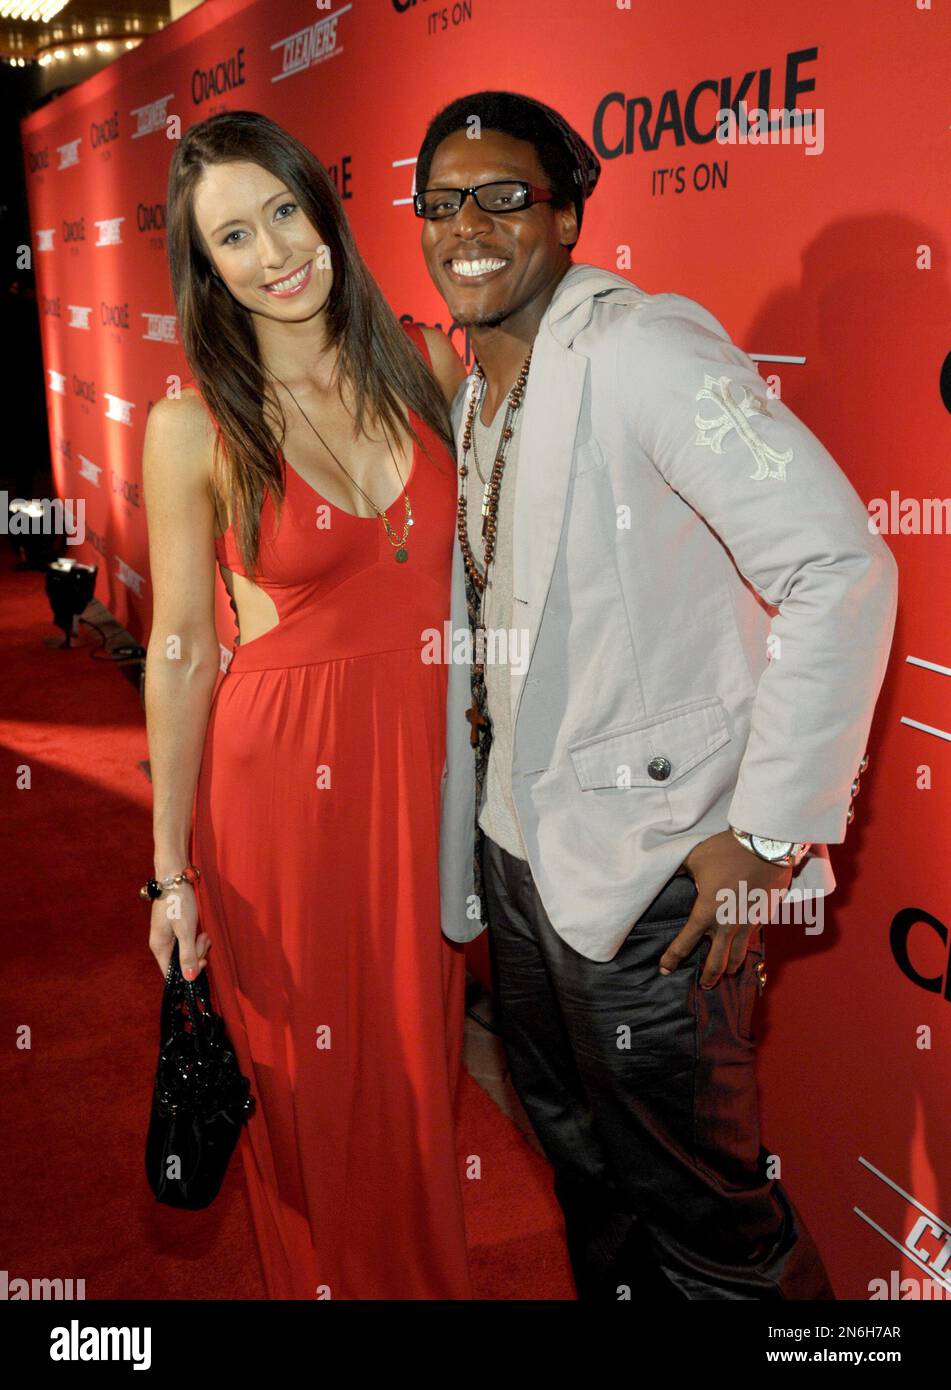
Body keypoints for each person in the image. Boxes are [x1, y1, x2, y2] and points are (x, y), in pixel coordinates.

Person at [415, 90, 899, 1300]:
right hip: (521, 859)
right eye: (441, 202)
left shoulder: (642, 350)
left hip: (653, 878)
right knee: (591, 1183)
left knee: (709, 1226)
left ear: (567, 217)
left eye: (503, 196)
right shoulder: (481, 389)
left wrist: (768, 835)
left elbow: (840, 565)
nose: (466, 224)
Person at [142, 110, 471, 1300]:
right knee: (315, 1099)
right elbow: (183, 649)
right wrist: (171, 873)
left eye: (285, 211)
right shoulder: (192, 426)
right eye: (234, 235)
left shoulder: (428, 365)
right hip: (282, 800)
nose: (275, 251)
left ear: (324, 209)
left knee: (419, 1082)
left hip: (422, 783)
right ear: (207, 267)